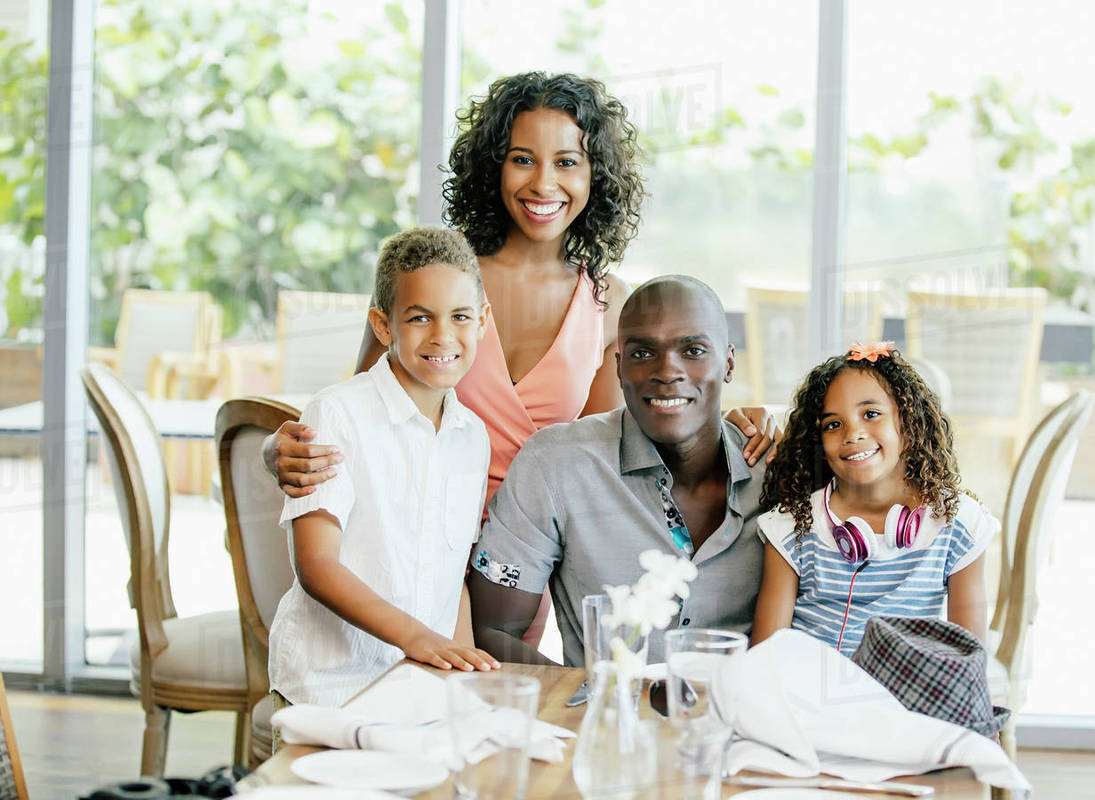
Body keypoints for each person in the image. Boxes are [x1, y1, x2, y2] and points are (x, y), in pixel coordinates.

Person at [262, 72, 780, 647]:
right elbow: (359, 409)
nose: (544, 183)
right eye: (522, 159)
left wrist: (725, 426)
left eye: (567, 162)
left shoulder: (609, 304)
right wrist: (277, 447)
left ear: (595, 176)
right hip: (399, 539)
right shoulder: (436, 285)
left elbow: (607, 452)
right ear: (493, 169)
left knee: (487, 708)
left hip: (519, 559)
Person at [467, 276, 767, 666]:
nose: (666, 371)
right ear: (620, 366)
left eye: (692, 350)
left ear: (728, 362)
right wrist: (593, 701)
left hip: (744, 720)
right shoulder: (556, 465)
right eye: (643, 354)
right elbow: (490, 632)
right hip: (605, 719)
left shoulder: (778, 472)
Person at [269, 227, 501, 707]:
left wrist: (458, 661)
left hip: (418, 692)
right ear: (382, 325)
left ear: (482, 322)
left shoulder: (472, 437)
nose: (442, 336)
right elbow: (316, 565)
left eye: (460, 317)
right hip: (327, 691)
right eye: (419, 318)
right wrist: (416, 638)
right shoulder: (336, 414)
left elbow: (452, 573)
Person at [750, 341, 998, 656]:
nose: (852, 434)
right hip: (809, 698)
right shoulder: (792, 526)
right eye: (833, 424)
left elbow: (968, 659)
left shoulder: (958, 523)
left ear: (908, 423)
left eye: (871, 414)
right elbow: (764, 659)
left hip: (907, 701)